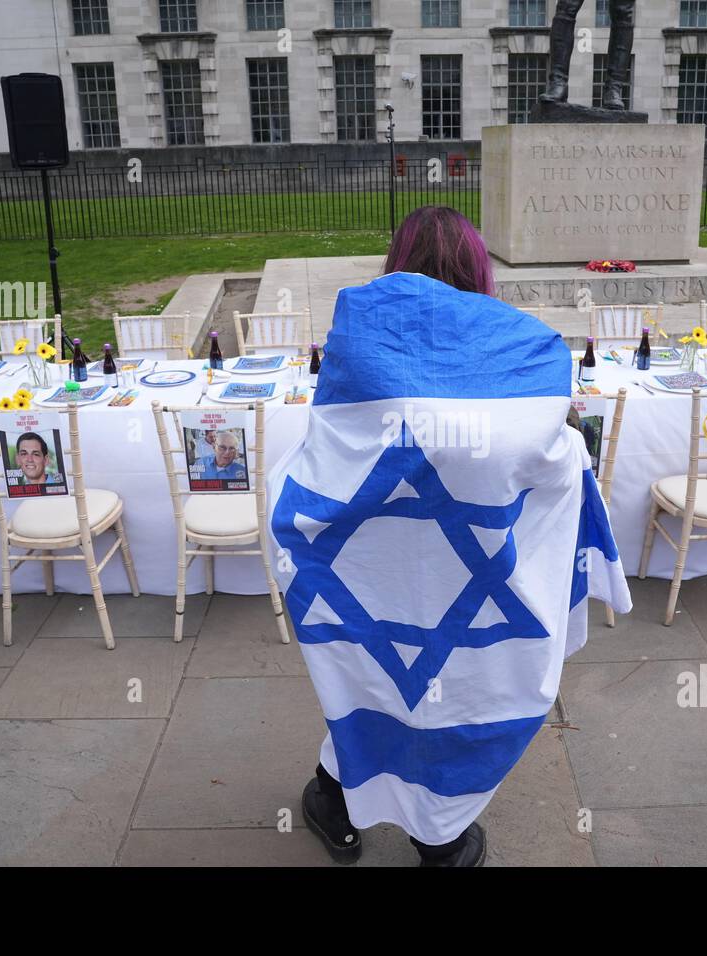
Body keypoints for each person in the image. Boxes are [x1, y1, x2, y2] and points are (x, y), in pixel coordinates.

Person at [269, 206, 631, 867]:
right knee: (455, 688)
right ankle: (437, 839)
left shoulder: (360, 341)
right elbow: (549, 457)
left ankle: (342, 804)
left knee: (371, 684)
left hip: (375, 575)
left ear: (396, 261)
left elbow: (330, 454)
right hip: (458, 575)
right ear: (479, 266)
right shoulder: (523, 348)